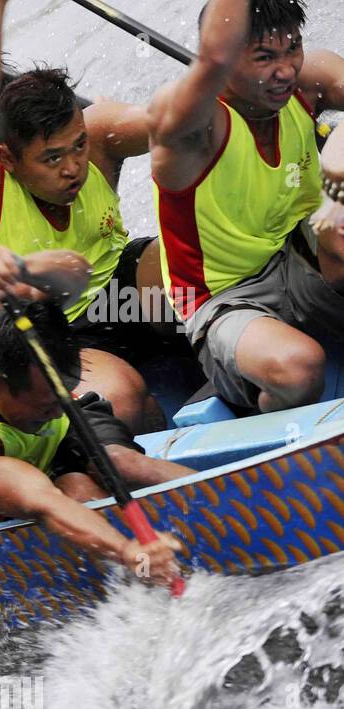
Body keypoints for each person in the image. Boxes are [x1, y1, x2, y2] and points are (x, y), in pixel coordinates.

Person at [0, 0, 172, 433]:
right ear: (6, 156)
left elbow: (172, 119)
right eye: (52, 158)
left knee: (193, 271)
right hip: (52, 329)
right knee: (125, 399)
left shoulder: (96, 133)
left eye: (77, 146)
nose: (73, 167)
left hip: (123, 293)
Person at [0, 246, 188, 589]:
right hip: (3, 488)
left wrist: (23, 268)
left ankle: (231, 501)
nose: (58, 413)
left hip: (45, 440)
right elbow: (44, 502)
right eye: (44, 407)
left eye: (61, 397)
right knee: (79, 491)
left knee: (124, 464)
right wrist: (132, 553)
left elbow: (78, 273)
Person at [149, 0, 344, 413]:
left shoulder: (312, 83)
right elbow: (211, 60)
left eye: (293, 48)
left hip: (298, 253)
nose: (287, 70)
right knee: (298, 369)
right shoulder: (193, 131)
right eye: (265, 57)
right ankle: (278, 428)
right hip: (225, 297)